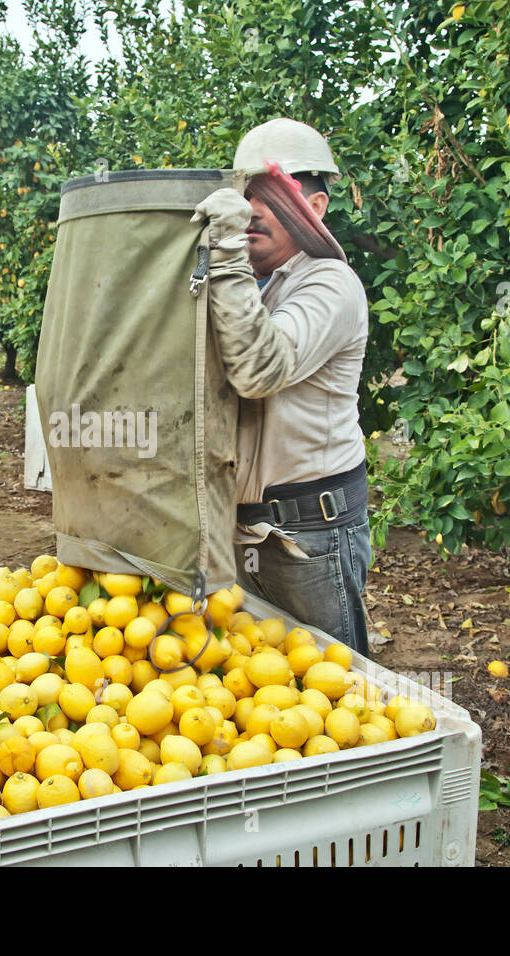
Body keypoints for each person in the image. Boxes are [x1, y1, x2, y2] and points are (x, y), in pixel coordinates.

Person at [190, 118, 371, 655]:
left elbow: (258, 370)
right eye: (242, 196)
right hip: (243, 533)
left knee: (333, 682)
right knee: (267, 686)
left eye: (267, 194)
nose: (249, 211)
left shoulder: (330, 283)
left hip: (310, 537)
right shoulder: (247, 287)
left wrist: (222, 251)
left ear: (313, 208)